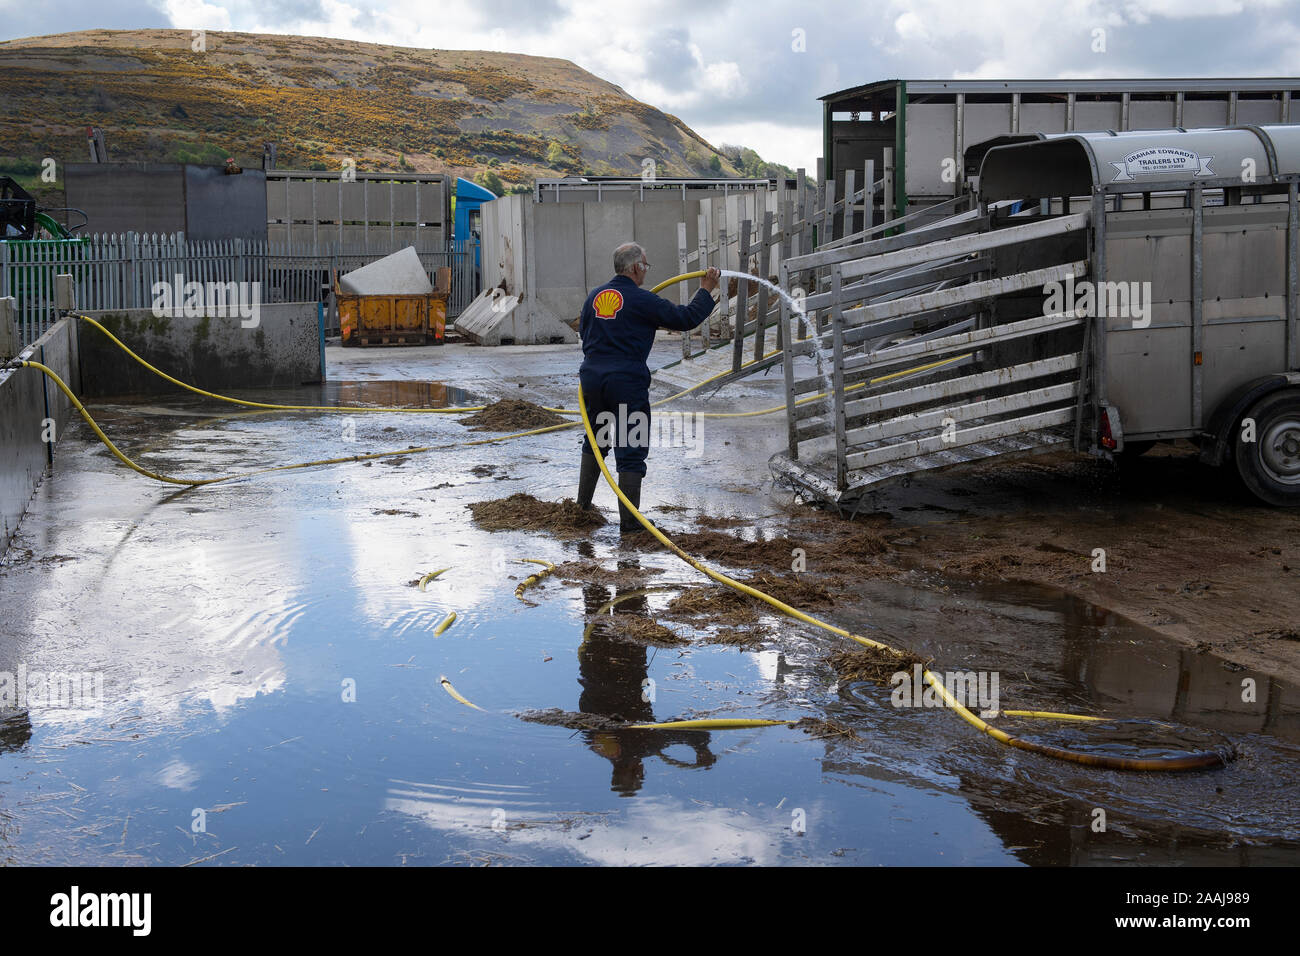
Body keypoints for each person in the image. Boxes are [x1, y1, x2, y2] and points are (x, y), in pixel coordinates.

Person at [575, 242, 719, 533]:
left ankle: (581, 508)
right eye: (646, 265)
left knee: (597, 436)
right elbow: (686, 319)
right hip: (626, 382)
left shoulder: (594, 296)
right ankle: (629, 520)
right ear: (637, 267)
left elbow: (583, 331)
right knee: (631, 445)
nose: (646, 271)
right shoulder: (643, 300)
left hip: (592, 379)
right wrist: (706, 289)